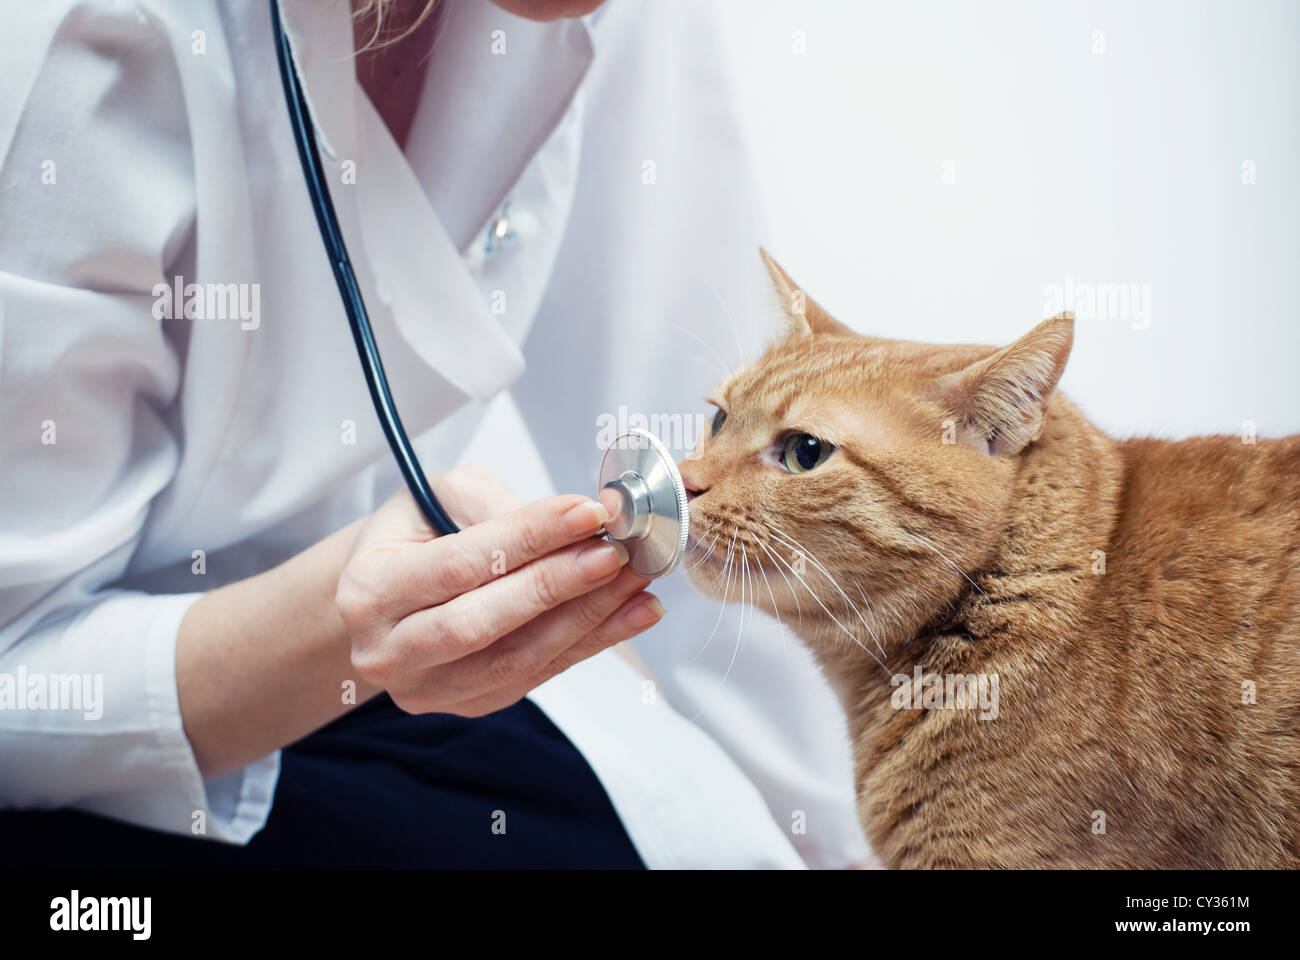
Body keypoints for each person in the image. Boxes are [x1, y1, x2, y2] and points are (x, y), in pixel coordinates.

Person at [0, 0, 869, 868]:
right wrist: (338, 625)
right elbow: (18, 683)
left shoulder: (616, 17)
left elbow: (722, 519)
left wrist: (835, 847)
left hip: (390, 689)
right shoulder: (90, 37)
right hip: (93, 735)